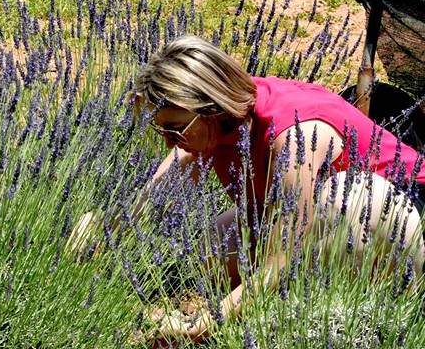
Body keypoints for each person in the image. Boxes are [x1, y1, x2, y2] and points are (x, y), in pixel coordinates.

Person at [70, 35, 425, 345]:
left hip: (407, 219)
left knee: (345, 197)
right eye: (162, 132)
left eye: (175, 130)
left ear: (211, 107)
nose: (170, 144)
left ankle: (388, 314)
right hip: (323, 227)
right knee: (205, 253)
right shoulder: (220, 120)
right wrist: (106, 228)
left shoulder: (294, 134)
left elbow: (281, 256)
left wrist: (209, 320)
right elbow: (156, 194)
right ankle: (288, 302)